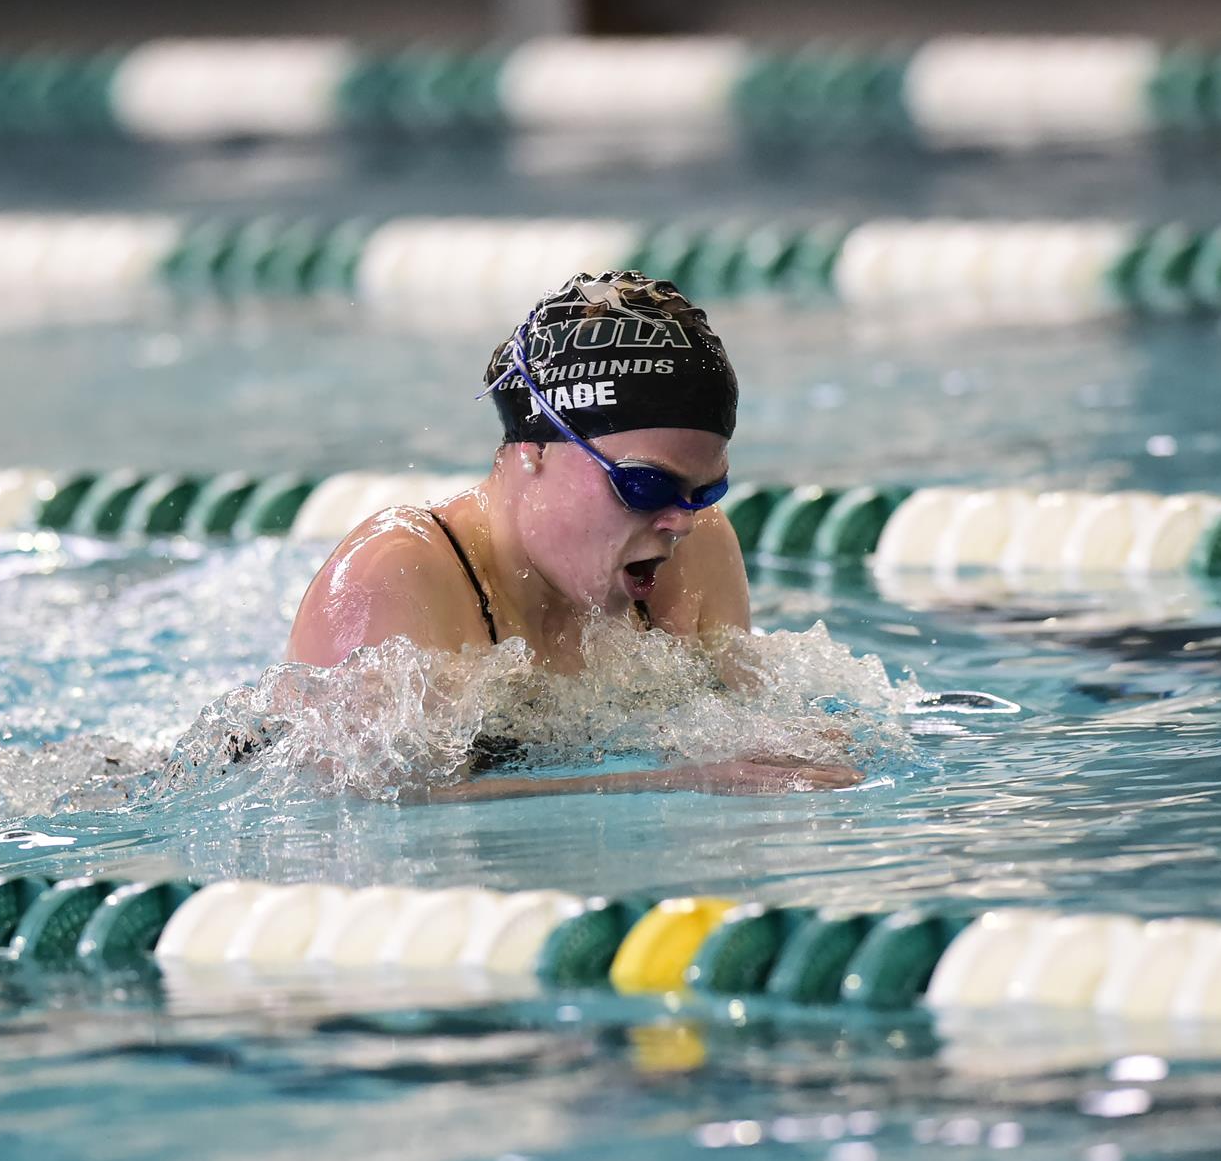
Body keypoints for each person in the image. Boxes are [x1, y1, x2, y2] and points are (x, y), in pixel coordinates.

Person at [286, 271, 860, 799]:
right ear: (533, 449)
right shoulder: (398, 576)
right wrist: (672, 782)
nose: (680, 519)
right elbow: (372, 809)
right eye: (643, 484)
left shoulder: (696, 545)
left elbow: (745, 722)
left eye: (705, 491)